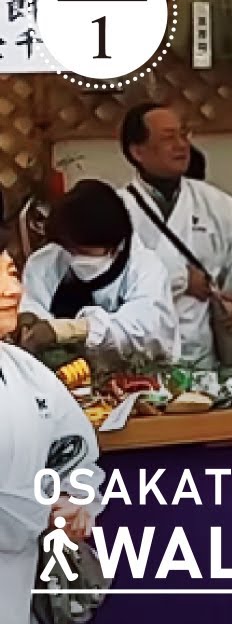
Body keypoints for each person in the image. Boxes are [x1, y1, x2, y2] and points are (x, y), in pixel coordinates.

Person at [0, 220, 104, 624]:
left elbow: (75, 453)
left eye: (10, 273)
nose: (12, 291)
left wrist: (76, 501)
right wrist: (39, 514)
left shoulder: (26, 370)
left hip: (19, 581)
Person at [117, 103, 232, 370]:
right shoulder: (116, 209)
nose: (181, 145)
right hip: (137, 358)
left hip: (201, 357)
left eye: (184, 135)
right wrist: (179, 278)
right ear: (137, 151)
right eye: (168, 138)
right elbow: (106, 274)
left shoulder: (214, 203)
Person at [18, 179, 178, 361]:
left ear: (114, 246)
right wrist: (29, 319)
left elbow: (145, 331)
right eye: (69, 249)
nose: (74, 257)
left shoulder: (146, 269)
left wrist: (72, 330)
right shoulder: (46, 261)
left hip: (134, 377)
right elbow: (33, 303)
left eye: (83, 251)